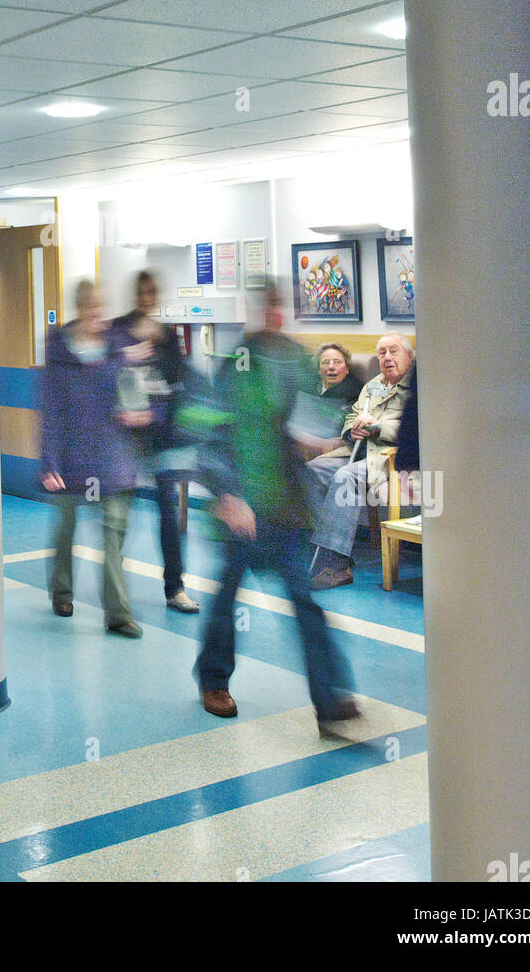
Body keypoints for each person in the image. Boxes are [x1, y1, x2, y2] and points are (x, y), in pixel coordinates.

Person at [190, 282, 359, 731]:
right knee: (226, 600)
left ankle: (329, 700)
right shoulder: (234, 366)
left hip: (286, 511)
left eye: (277, 308)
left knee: (305, 602)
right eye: (264, 309)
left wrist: (315, 440)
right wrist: (227, 494)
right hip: (240, 512)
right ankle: (213, 680)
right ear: (253, 314)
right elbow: (210, 436)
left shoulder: (300, 362)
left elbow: (310, 424)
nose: (272, 317)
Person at [41, 279, 149, 638]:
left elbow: (138, 398)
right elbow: (51, 411)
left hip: (112, 460)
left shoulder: (118, 351)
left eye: (101, 309)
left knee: (113, 538)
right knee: (66, 529)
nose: (97, 316)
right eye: (91, 309)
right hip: (72, 461)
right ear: (80, 310)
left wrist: (142, 415)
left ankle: (118, 615)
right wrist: (49, 462)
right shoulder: (58, 352)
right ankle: (61, 592)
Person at [112, 271, 199, 614]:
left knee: (167, 512)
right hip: (124, 439)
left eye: (152, 293)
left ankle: (174, 587)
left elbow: (179, 383)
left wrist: (161, 417)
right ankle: (114, 592)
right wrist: (127, 354)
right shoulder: (116, 331)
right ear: (134, 295)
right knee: (118, 513)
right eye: (142, 292)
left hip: (160, 438)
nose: (147, 298)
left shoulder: (166, 336)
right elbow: (105, 373)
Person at [307, 332, 419, 589]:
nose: (387, 358)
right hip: (357, 452)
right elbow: (353, 415)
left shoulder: (419, 388)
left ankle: (336, 565)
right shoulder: (373, 386)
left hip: (390, 459)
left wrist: (378, 426)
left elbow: (413, 428)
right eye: (382, 353)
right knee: (312, 471)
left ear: (409, 357)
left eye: (394, 351)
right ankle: (323, 548)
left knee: (346, 477)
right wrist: (352, 430)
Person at [295, 342, 363, 461]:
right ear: (318, 369)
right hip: (299, 443)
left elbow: (340, 437)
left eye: (337, 362)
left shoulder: (355, 392)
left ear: (347, 368)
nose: (331, 367)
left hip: (329, 451)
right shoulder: (308, 387)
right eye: (326, 363)